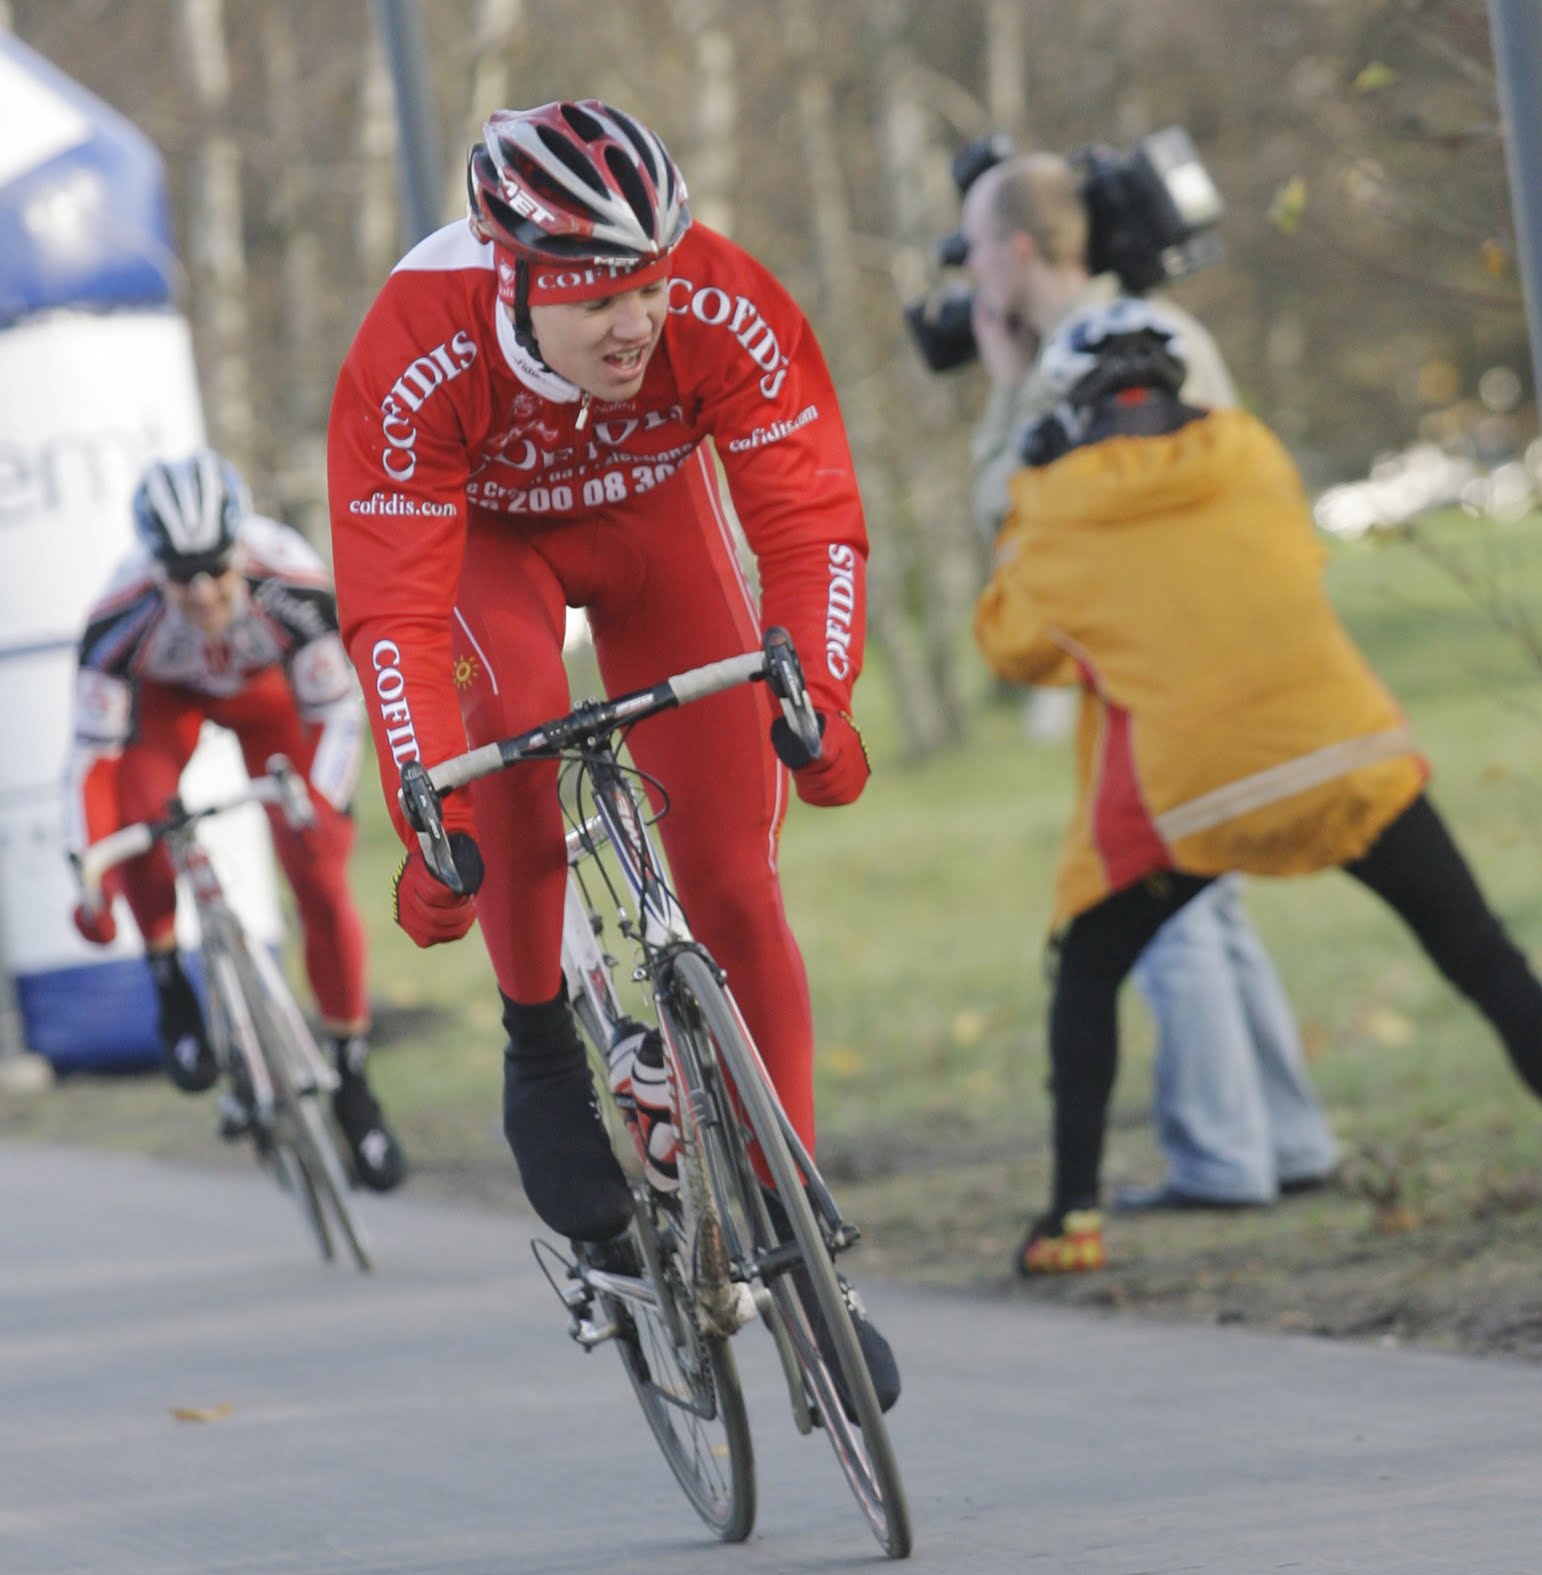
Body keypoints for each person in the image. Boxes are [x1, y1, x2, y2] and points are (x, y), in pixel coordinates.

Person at [326, 99, 897, 1412]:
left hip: (651, 521)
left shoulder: (717, 302)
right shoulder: (419, 345)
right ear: (509, 276)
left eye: (648, 283)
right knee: (514, 747)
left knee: (735, 881)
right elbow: (398, 619)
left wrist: (821, 693)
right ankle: (539, 1047)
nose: (636, 319)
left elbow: (810, 517)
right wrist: (429, 813)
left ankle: (809, 1264)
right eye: (596, 298)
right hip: (482, 548)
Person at [972, 300, 1542, 1274]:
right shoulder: (1251, 450)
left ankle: (1071, 1220)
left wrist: (1026, 488)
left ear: (1069, 410)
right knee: (1480, 953)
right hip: (1346, 756)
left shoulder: (1055, 505)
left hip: (1198, 798)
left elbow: (1016, 646)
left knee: (1091, 960)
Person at [961, 149, 1338, 1213]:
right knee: (1207, 900)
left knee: (1155, 904)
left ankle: (1221, 1161)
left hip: (1147, 673)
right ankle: (1290, 1140)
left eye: (979, 248)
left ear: (1020, 250)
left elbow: (1013, 514)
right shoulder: (1165, 332)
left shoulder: (1080, 357)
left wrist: (1002, 394)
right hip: (1220, 647)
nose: (970, 273)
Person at [64, 448, 406, 1193]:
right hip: (166, 709)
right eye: (181, 575)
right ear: (153, 567)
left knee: (319, 875)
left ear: (239, 550)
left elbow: (340, 712)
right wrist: (91, 876)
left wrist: (320, 801)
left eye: (216, 568)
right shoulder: (118, 618)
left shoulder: (291, 581)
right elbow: (91, 764)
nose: (203, 590)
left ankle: (353, 1081)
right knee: (142, 824)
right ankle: (172, 988)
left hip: (270, 704)